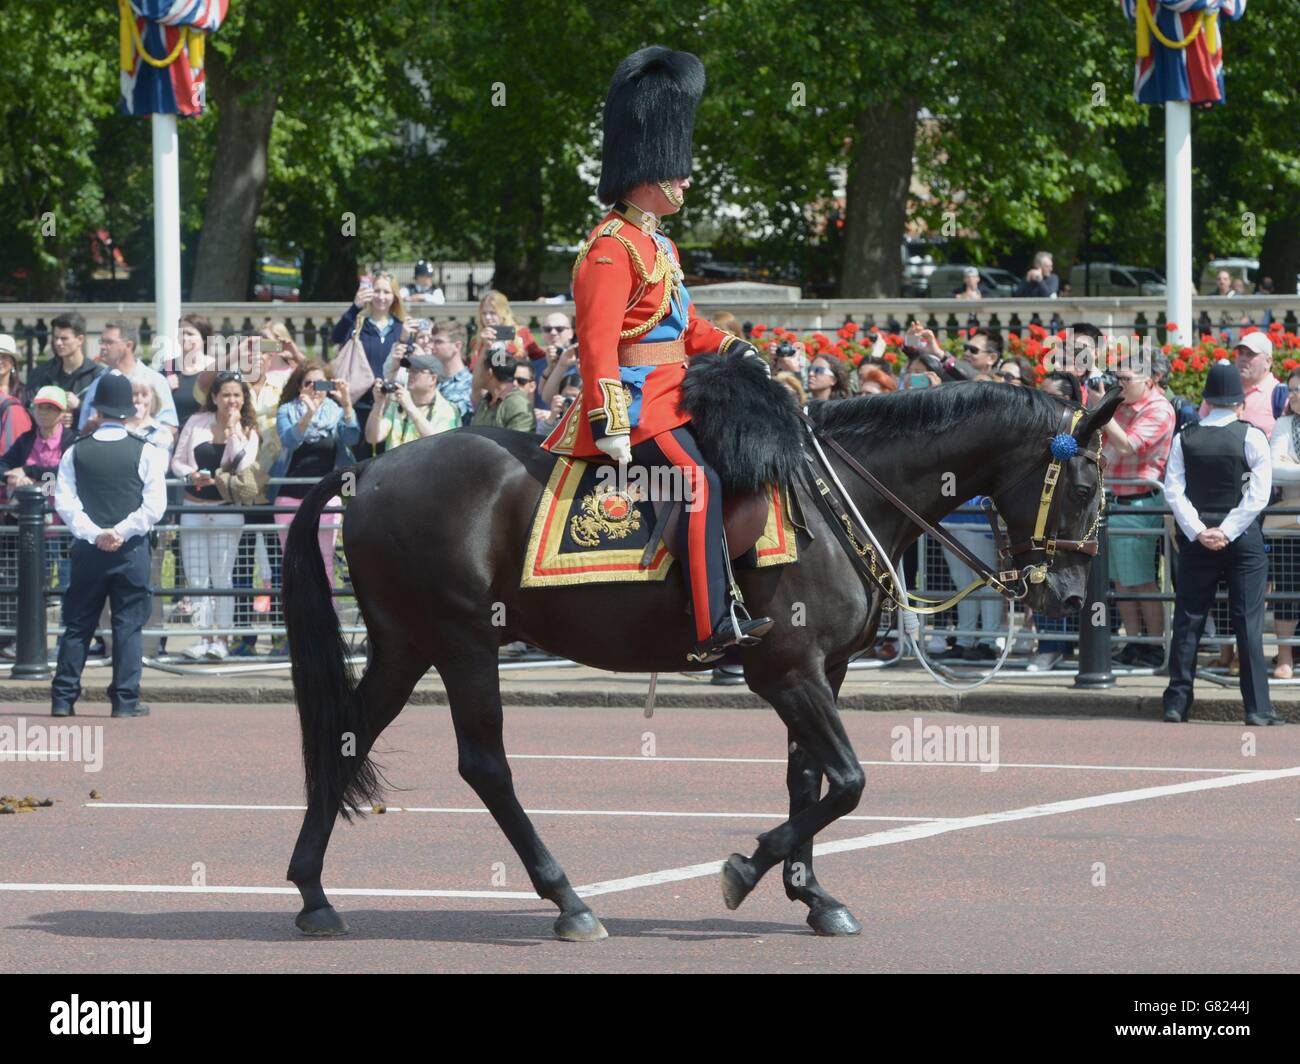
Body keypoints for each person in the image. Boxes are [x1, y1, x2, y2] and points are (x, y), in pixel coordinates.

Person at [539, 45, 772, 664]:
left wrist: (732, 347)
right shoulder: (613, 247)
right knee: (696, 483)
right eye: (679, 167)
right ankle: (710, 624)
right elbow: (596, 341)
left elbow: (685, 324)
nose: (688, 177)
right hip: (642, 400)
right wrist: (608, 417)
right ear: (650, 166)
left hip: (679, 388)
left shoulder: (656, 244)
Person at [1162, 361, 1282, 725]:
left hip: (1198, 541)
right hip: (1242, 539)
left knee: (1188, 621)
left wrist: (1200, 530)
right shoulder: (1252, 435)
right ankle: (1257, 709)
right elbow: (1259, 496)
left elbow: (1173, 491)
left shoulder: (1185, 436)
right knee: (1247, 622)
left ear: (1207, 400)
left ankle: (1176, 704)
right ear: (1240, 402)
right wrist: (1228, 530)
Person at [50, 373, 167, 719]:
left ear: (97, 409)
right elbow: (154, 507)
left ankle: (63, 697)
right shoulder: (147, 451)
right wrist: (120, 531)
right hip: (131, 552)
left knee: (78, 623)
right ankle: (125, 700)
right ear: (128, 410)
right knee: (128, 624)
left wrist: (94, 532)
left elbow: (65, 502)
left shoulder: (75, 451)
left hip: (88, 551)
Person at [171, 371, 261, 661]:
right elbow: (178, 461)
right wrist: (191, 474)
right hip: (194, 507)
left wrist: (233, 431)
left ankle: (222, 639)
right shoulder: (196, 422)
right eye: (225, 395)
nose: (231, 400)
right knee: (197, 577)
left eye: (236, 394)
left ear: (244, 398)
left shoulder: (249, 430)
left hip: (226, 511)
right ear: (214, 398)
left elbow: (242, 464)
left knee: (222, 577)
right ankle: (203, 637)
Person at [1102, 361, 1175, 669]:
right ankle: (1134, 642)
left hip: (1141, 501)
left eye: (1126, 378)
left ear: (1149, 380)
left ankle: (1154, 645)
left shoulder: (1158, 408)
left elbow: (1128, 445)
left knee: (1143, 581)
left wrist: (1101, 409)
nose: (1120, 384)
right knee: (1121, 581)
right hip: (1116, 500)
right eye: (1116, 378)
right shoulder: (1119, 405)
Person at [268, 362, 359, 591]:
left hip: (325, 498)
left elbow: (352, 438)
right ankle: (295, 619)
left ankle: (326, 618)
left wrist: (347, 405)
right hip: (290, 497)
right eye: (309, 383)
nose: (315, 388)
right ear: (300, 387)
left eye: (320, 383)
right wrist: (308, 413)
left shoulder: (337, 412)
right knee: (293, 563)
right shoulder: (286, 411)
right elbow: (290, 440)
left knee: (325, 561)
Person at [79, 320, 178, 434]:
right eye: (102, 341)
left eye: (109, 342)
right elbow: (82, 429)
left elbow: (170, 428)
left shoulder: (155, 381)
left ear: (129, 345)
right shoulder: (97, 383)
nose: (102, 347)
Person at [1266, 367, 1300, 679]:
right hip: (1288, 520)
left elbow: (1285, 467)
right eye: (1291, 389)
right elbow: (1274, 470)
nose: (1294, 395)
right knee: (1287, 587)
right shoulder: (1284, 424)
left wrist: (1293, 466)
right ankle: (1285, 656)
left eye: (1299, 389)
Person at [365, 354, 460, 451]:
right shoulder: (398, 403)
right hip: (393, 465)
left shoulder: (447, 410)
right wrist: (378, 405)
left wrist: (410, 407)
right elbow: (373, 438)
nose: (410, 374)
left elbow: (439, 445)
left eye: (416, 371)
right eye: (409, 370)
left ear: (433, 379)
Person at [468, 290, 545, 404]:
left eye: (493, 313)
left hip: (517, 392)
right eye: (484, 313)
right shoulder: (478, 340)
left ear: (503, 312)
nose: (488, 318)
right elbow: (475, 374)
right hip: (490, 395)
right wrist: (486, 347)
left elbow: (540, 360)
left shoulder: (521, 333)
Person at [26, 313, 104, 425]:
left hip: (85, 439)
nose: (58, 343)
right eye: (56, 338)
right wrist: (53, 417)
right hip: (49, 440)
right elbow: (28, 407)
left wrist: (79, 406)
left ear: (80, 339)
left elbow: (106, 414)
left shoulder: (98, 375)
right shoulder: (42, 374)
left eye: (64, 339)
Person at [472, 347, 537, 431]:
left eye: (479, 369)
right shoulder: (485, 402)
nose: (475, 374)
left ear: (489, 373)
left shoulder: (517, 405)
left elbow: (519, 443)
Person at [428, 319, 473, 419]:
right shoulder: (433, 380)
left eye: (438, 342)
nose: (431, 346)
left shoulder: (469, 385)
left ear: (457, 346)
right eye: (431, 341)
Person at [0, 333, 33, 454]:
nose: (0, 360)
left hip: (18, 454)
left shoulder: (24, 392)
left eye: (4, 356)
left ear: (13, 362)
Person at [536, 312, 575, 408]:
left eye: (559, 329)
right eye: (547, 329)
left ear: (571, 333)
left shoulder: (578, 364)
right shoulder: (533, 365)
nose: (553, 333)